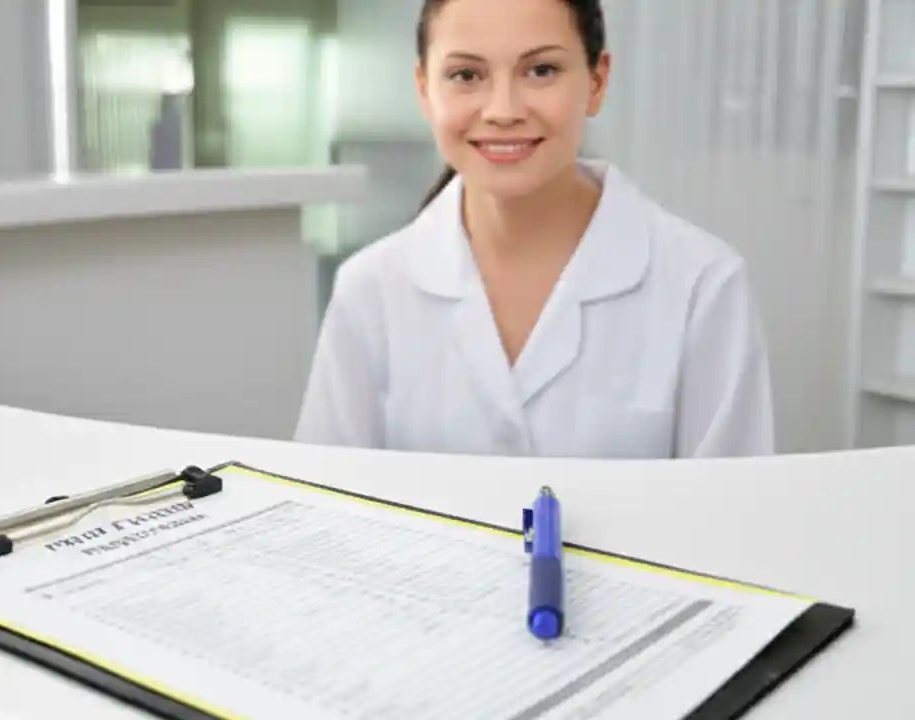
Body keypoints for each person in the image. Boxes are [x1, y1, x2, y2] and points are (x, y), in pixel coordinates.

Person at [294, 0, 774, 458]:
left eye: (541, 70)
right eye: (466, 75)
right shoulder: (370, 289)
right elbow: (321, 511)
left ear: (598, 80)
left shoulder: (703, 285)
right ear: (424, 90)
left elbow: (732, 518)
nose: (503, 109)